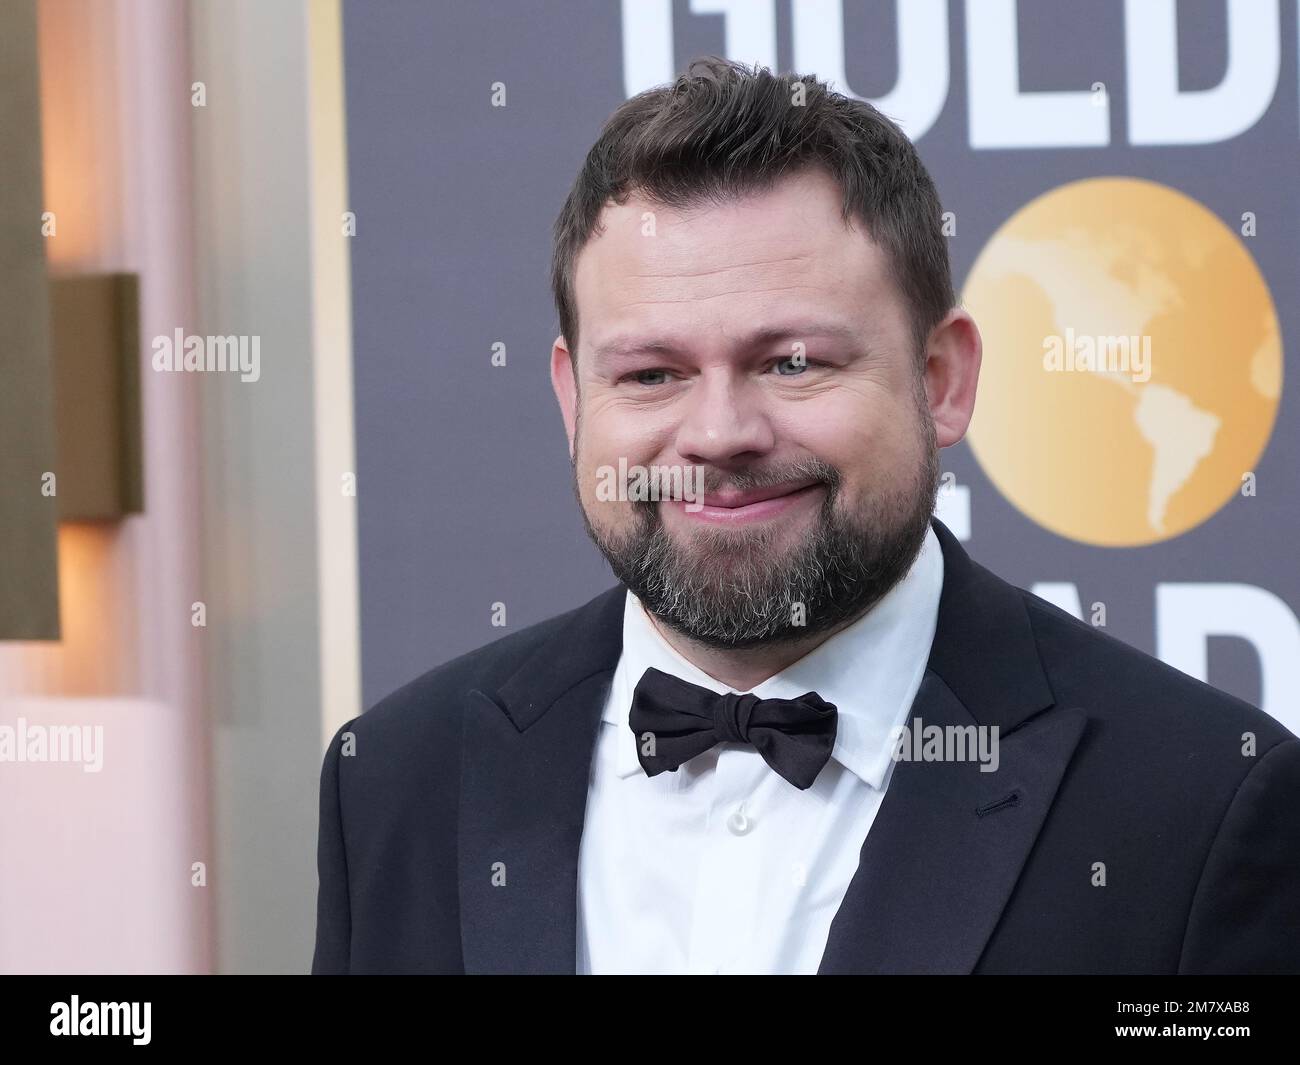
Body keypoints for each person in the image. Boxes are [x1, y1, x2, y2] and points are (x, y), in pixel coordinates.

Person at [312, 57, 1300, 975]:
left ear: (942, 380)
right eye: (651, 374)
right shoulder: (398, 783)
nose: (719, 433)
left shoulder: (1199, 806)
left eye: (792, 362)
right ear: (573, 401)